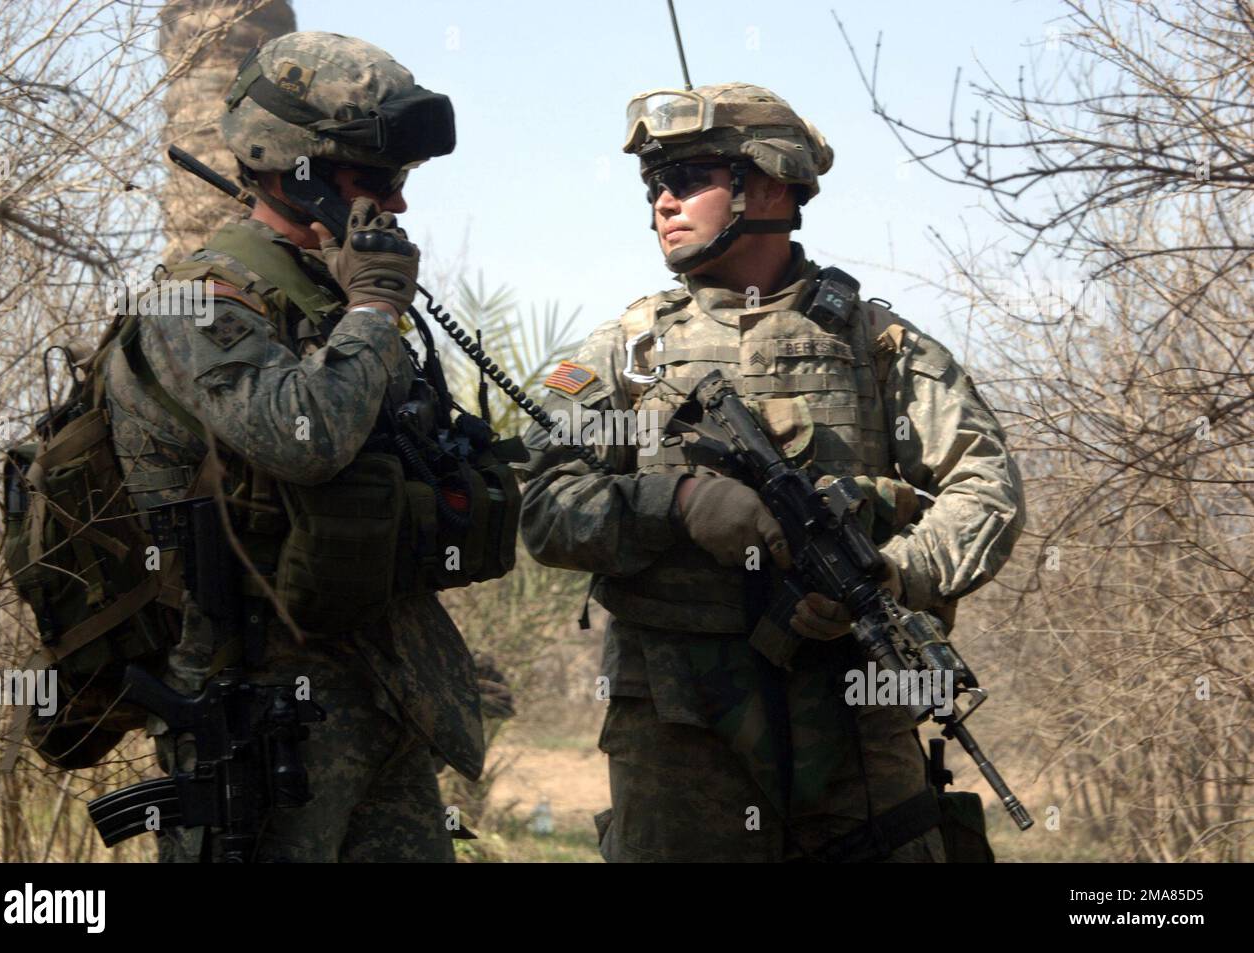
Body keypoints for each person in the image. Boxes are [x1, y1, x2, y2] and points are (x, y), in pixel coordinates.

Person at [517, 83, 1026, 862]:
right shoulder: (626, 354)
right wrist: (676, 501)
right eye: (655, 185)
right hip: (679, 729)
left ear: (771, 185)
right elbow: (547, 507)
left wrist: (896, 571)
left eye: (689, 180)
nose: (663, 203)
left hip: (855, 718)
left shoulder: (876, 346)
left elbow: (986, 486)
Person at [102, 31, 505, 862]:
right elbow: (305, 436)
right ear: (299, 171)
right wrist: (371, 316)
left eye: (399, 179)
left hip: (383, 693)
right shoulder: (196, 301)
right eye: (375, 177)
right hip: (255, 708)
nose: (395, 204)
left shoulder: (340, 297)